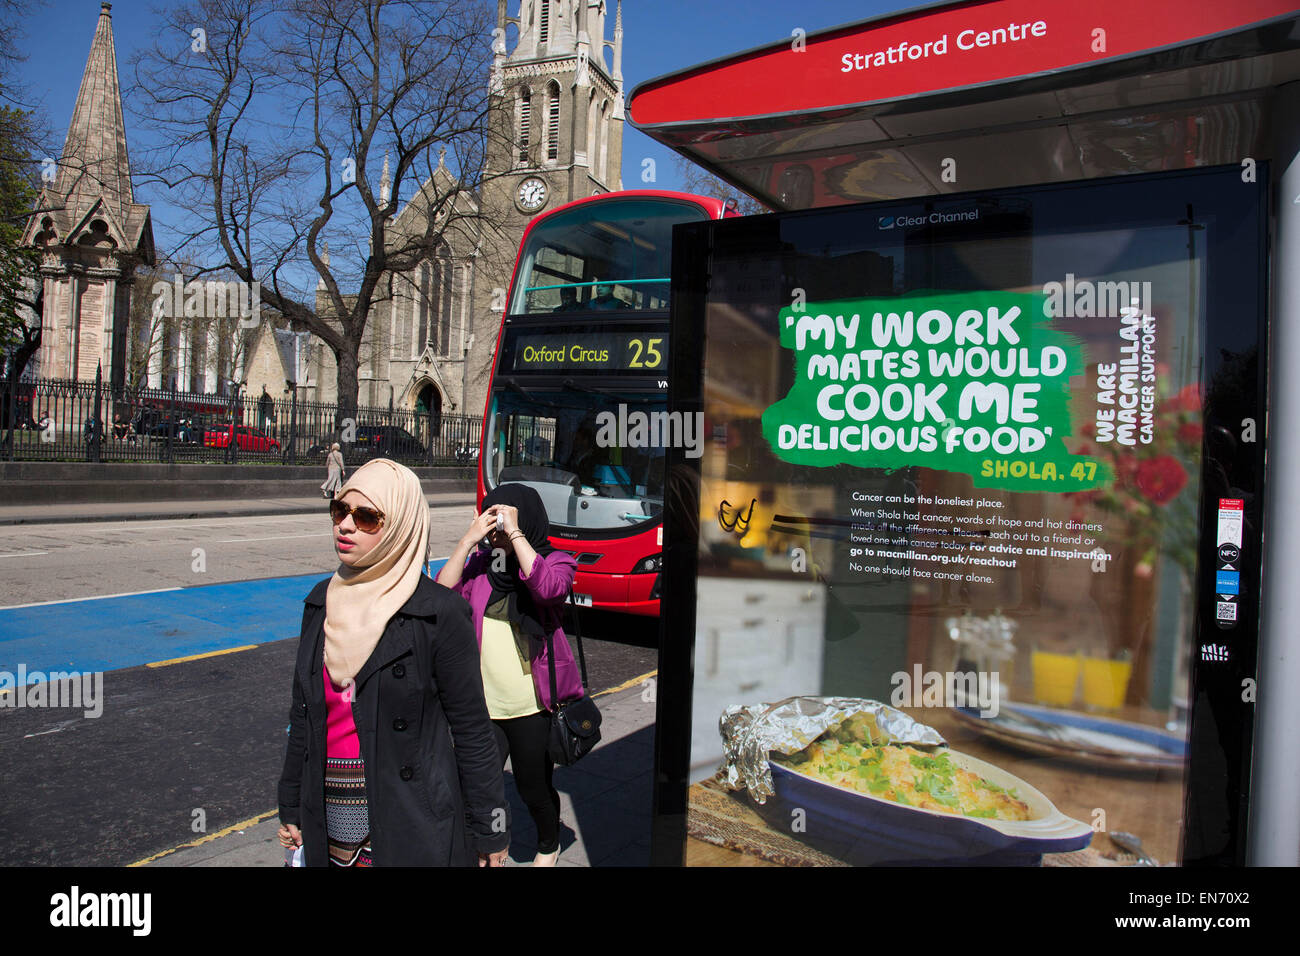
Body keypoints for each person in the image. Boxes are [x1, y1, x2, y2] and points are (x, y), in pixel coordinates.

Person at [277, 458, 510, 867]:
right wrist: (291, 802)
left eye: (366, 517)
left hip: (409, 815)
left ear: (399, 526)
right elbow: (304, 715)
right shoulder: (320, 602)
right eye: (339, 511)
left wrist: (490, 829)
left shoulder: (439, 612)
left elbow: (473, 731)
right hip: (327, 809)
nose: (345, 525)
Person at [436, 484, 582, 866]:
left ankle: (549, 844)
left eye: (503, 523)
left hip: (531, 705)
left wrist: (515, 534)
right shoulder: (481, 569)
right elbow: (438, 597)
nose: (496, 533)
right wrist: (468, 540)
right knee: (477, 788)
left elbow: (548, 589)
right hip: (482, 705)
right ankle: (487, 847)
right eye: (494, 524)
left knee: (533, 788)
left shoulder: (557, 560)